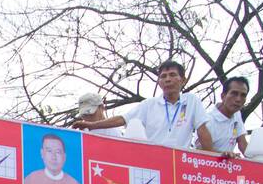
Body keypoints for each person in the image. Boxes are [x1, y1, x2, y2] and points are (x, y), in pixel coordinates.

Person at [72, 60, 214, 150]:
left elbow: (202, 131)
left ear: (183, 80)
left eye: (172, 75)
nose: (168, 79)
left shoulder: (192, 101)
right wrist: (91, 126)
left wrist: (214, 159)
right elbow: (122, 119)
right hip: (154, 164)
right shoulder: (149, 104)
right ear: (158, 82)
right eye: (163, 76)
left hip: (181, 164)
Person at [201, 76, 250, 157]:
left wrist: (258, 161)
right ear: (223, 96)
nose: (238, 99)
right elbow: (199, 151)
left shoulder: (236, 114)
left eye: (243, 95)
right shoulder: (208, 120)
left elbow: (242, 143)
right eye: (234, 93)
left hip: (228, 167)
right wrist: (222, 156)